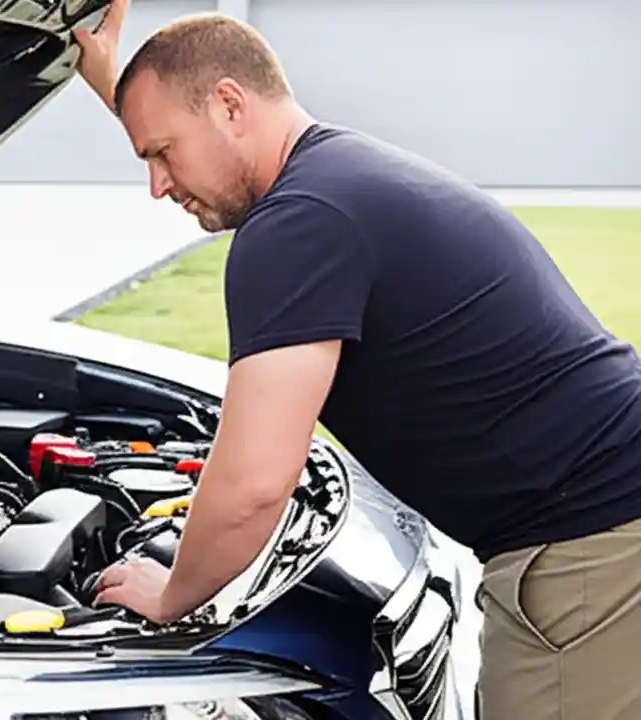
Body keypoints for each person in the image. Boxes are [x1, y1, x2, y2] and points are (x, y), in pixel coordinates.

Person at [75, 3, 641, 719]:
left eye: (161, 154)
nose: (157, 185)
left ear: (230, 105)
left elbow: (253, 486)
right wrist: (121, 88)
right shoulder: (336, 180)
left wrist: (173, 594)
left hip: (592, 554)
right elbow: (190, 117)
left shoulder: (297, 227)